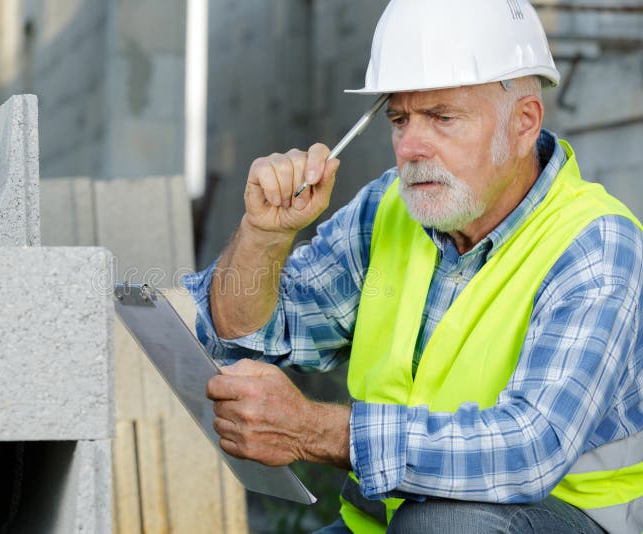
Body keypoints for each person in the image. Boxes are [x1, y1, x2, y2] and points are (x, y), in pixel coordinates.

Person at [182, 1, 643, 532]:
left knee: (449, 525)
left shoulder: (595, 243)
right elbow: (248, 335)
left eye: (442, 118)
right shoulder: (389, 209)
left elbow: (530, 449)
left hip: (560, 519)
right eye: (399, 119)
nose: (410, 147)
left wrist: (315, 430)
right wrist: (264, 235)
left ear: (523, 124)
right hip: (391, 524)